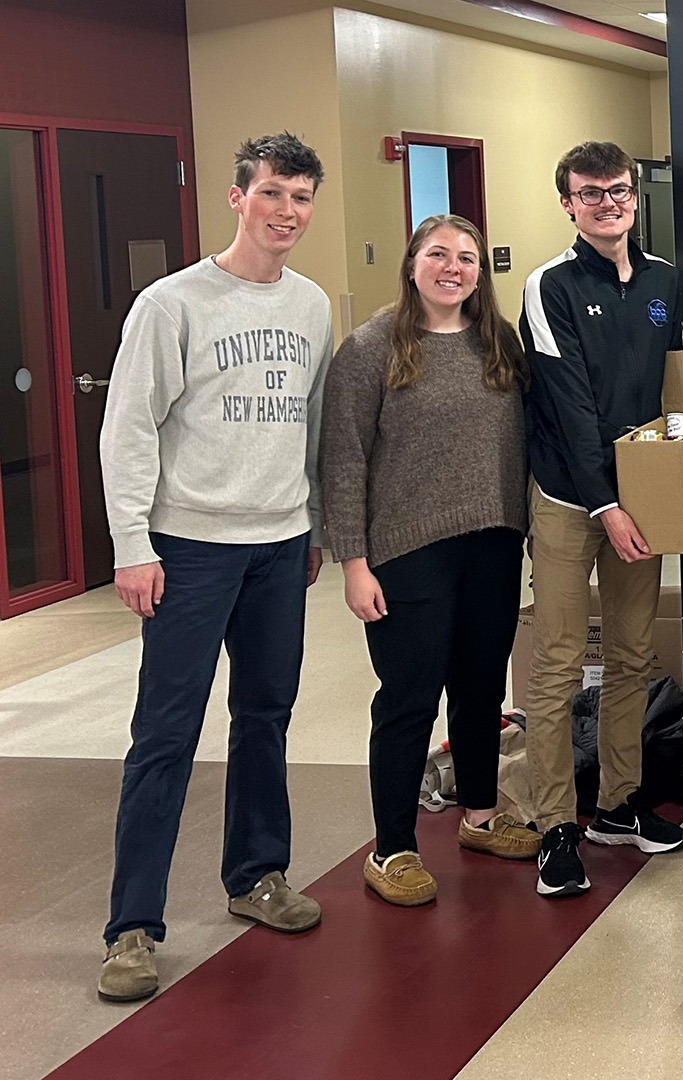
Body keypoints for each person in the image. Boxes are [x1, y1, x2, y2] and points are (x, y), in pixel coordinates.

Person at [96, 133, 333, 1002]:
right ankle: (131, 928)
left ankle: (257, 875)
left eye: (300, 197)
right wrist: (132, 544)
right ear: (237, 198)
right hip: (189, 548)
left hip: (280, 543)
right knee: (165, 734)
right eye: (271, 193)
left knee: (265, 716)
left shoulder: (311, 305)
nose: (286, 212)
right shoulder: (172, 304)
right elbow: (128, 428)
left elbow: (310, 422)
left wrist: (312, 524)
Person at [320, 214, 540, 907]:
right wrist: (353, 562)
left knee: (480, 689)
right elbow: (344, 461)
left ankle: (481, 816)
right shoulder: (370, 348)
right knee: (409, 699)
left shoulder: (499, 343)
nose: (454, 268)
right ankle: (393, 849)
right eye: (439, 254)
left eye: (467, 258)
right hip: (406, 551)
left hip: (494, 540)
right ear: (412, 263)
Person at [521, 141, 683, 899]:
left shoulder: (664, 281)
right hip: (569, 499)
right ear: (568, 204)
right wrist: (606, 503)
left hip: (640, 499)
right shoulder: (549, 286)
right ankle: (557, 827)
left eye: (618, 190)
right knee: (559, 664)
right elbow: (570, 407)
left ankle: (619, 807)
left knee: (629, 656)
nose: (608, 203)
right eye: (590, 193)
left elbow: (674, 387)